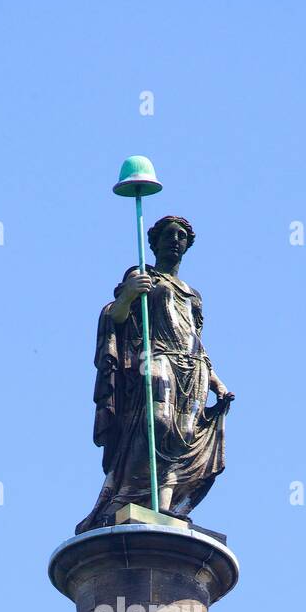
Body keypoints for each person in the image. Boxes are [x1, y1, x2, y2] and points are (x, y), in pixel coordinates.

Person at [76, 214, 234, 533]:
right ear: (154, 242)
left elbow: (196, 340)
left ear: (187, 246)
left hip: (192, 369)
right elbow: (116, 317)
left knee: (184, 437)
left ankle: (163, 507)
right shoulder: (142, 275)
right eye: (168, 235)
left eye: (180, 236)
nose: (174, 240)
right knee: (157, 423)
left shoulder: (193, 293)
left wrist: (217, 382)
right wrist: (130, 294)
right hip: (157, 358)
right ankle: (125, 497)